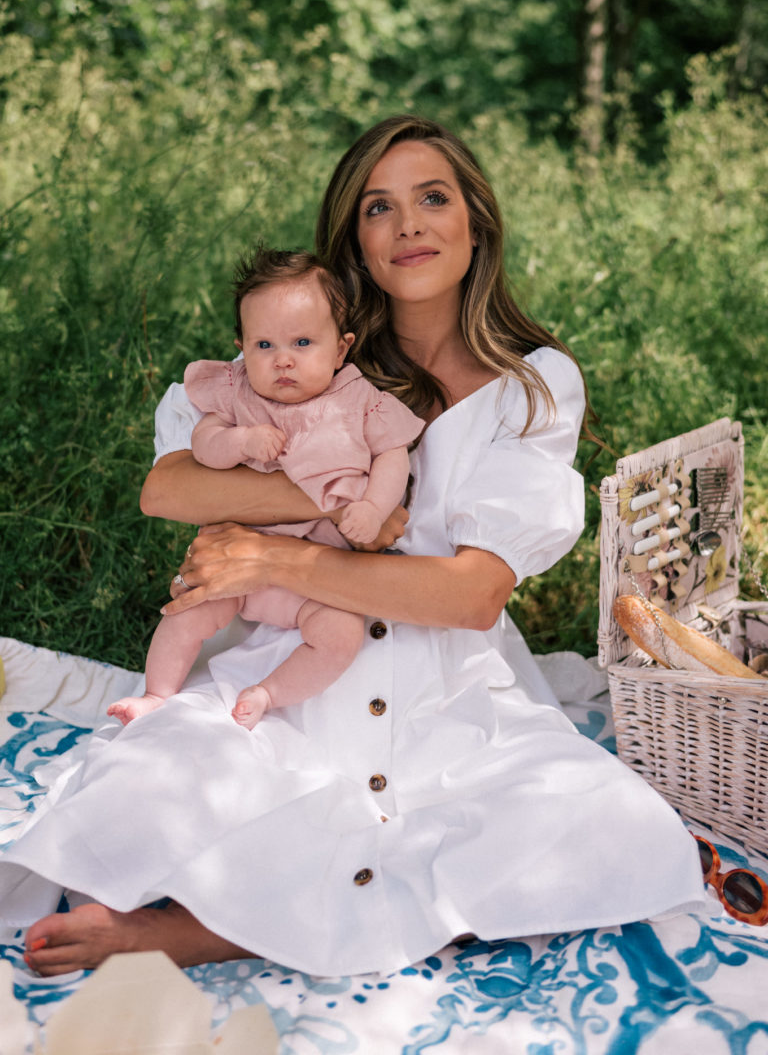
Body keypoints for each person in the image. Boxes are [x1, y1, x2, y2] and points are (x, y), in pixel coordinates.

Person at [0, 115, 705, 979]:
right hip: (294, 658)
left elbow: (472, 595)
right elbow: (171, 488)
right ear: (355, 243)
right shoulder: (309, 351)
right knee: (164, 779)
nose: (408, 225)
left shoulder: (533, 383)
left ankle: (212, 929)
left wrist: (275, 558)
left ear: (475, 222)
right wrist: (340, 495)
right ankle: (251, 904)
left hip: (447, 682)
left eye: (432, 198)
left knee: (608, 828)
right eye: (378, 207)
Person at [108, 248, 423, 729]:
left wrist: (374, 507)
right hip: (236, 566)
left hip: (320, 574)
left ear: (341, 349)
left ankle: (267, 693)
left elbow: (392, 454)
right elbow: (204, 445)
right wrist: (240, 441)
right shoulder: (237, 394)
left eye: (302, 342)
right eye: (264, 346)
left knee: (340, 636)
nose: (283, 361)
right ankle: (155, 694)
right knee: (186, 611)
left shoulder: (359, 400)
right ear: (242, 348)